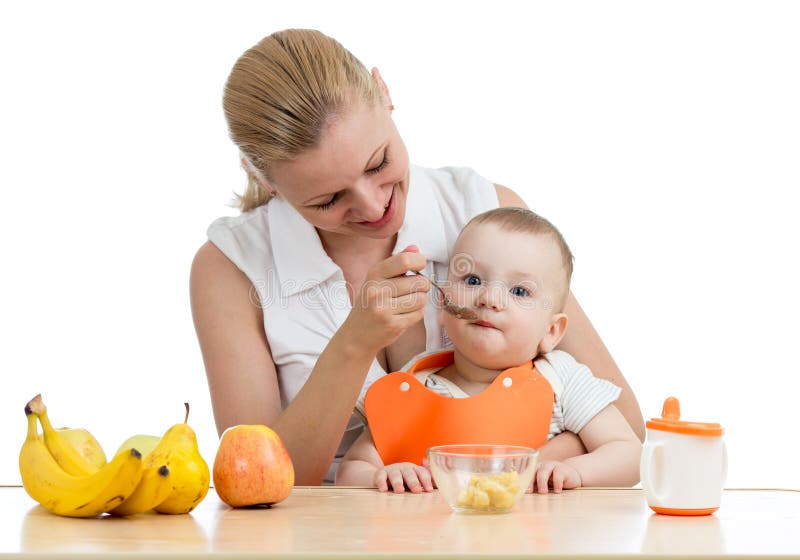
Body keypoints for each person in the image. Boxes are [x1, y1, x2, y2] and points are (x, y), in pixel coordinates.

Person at [190, 29, 645, 485]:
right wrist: (354, 344)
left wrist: (496, 473)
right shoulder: (229, 267)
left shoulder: (486, 214)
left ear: (384, 93)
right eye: (328, 200)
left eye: (378, 163)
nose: (374, 207)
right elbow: (253, 480)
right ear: (264, 179)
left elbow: (626, 428)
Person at [336, 207, 642, 493]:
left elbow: (629, 453)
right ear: (442, 306)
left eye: (519, 291)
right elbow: (351, 470)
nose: (490, 299)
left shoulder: (561, 380)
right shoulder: (415, 383)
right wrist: (384, 475)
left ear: (551, 332)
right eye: (473, 280)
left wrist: (575, 471)